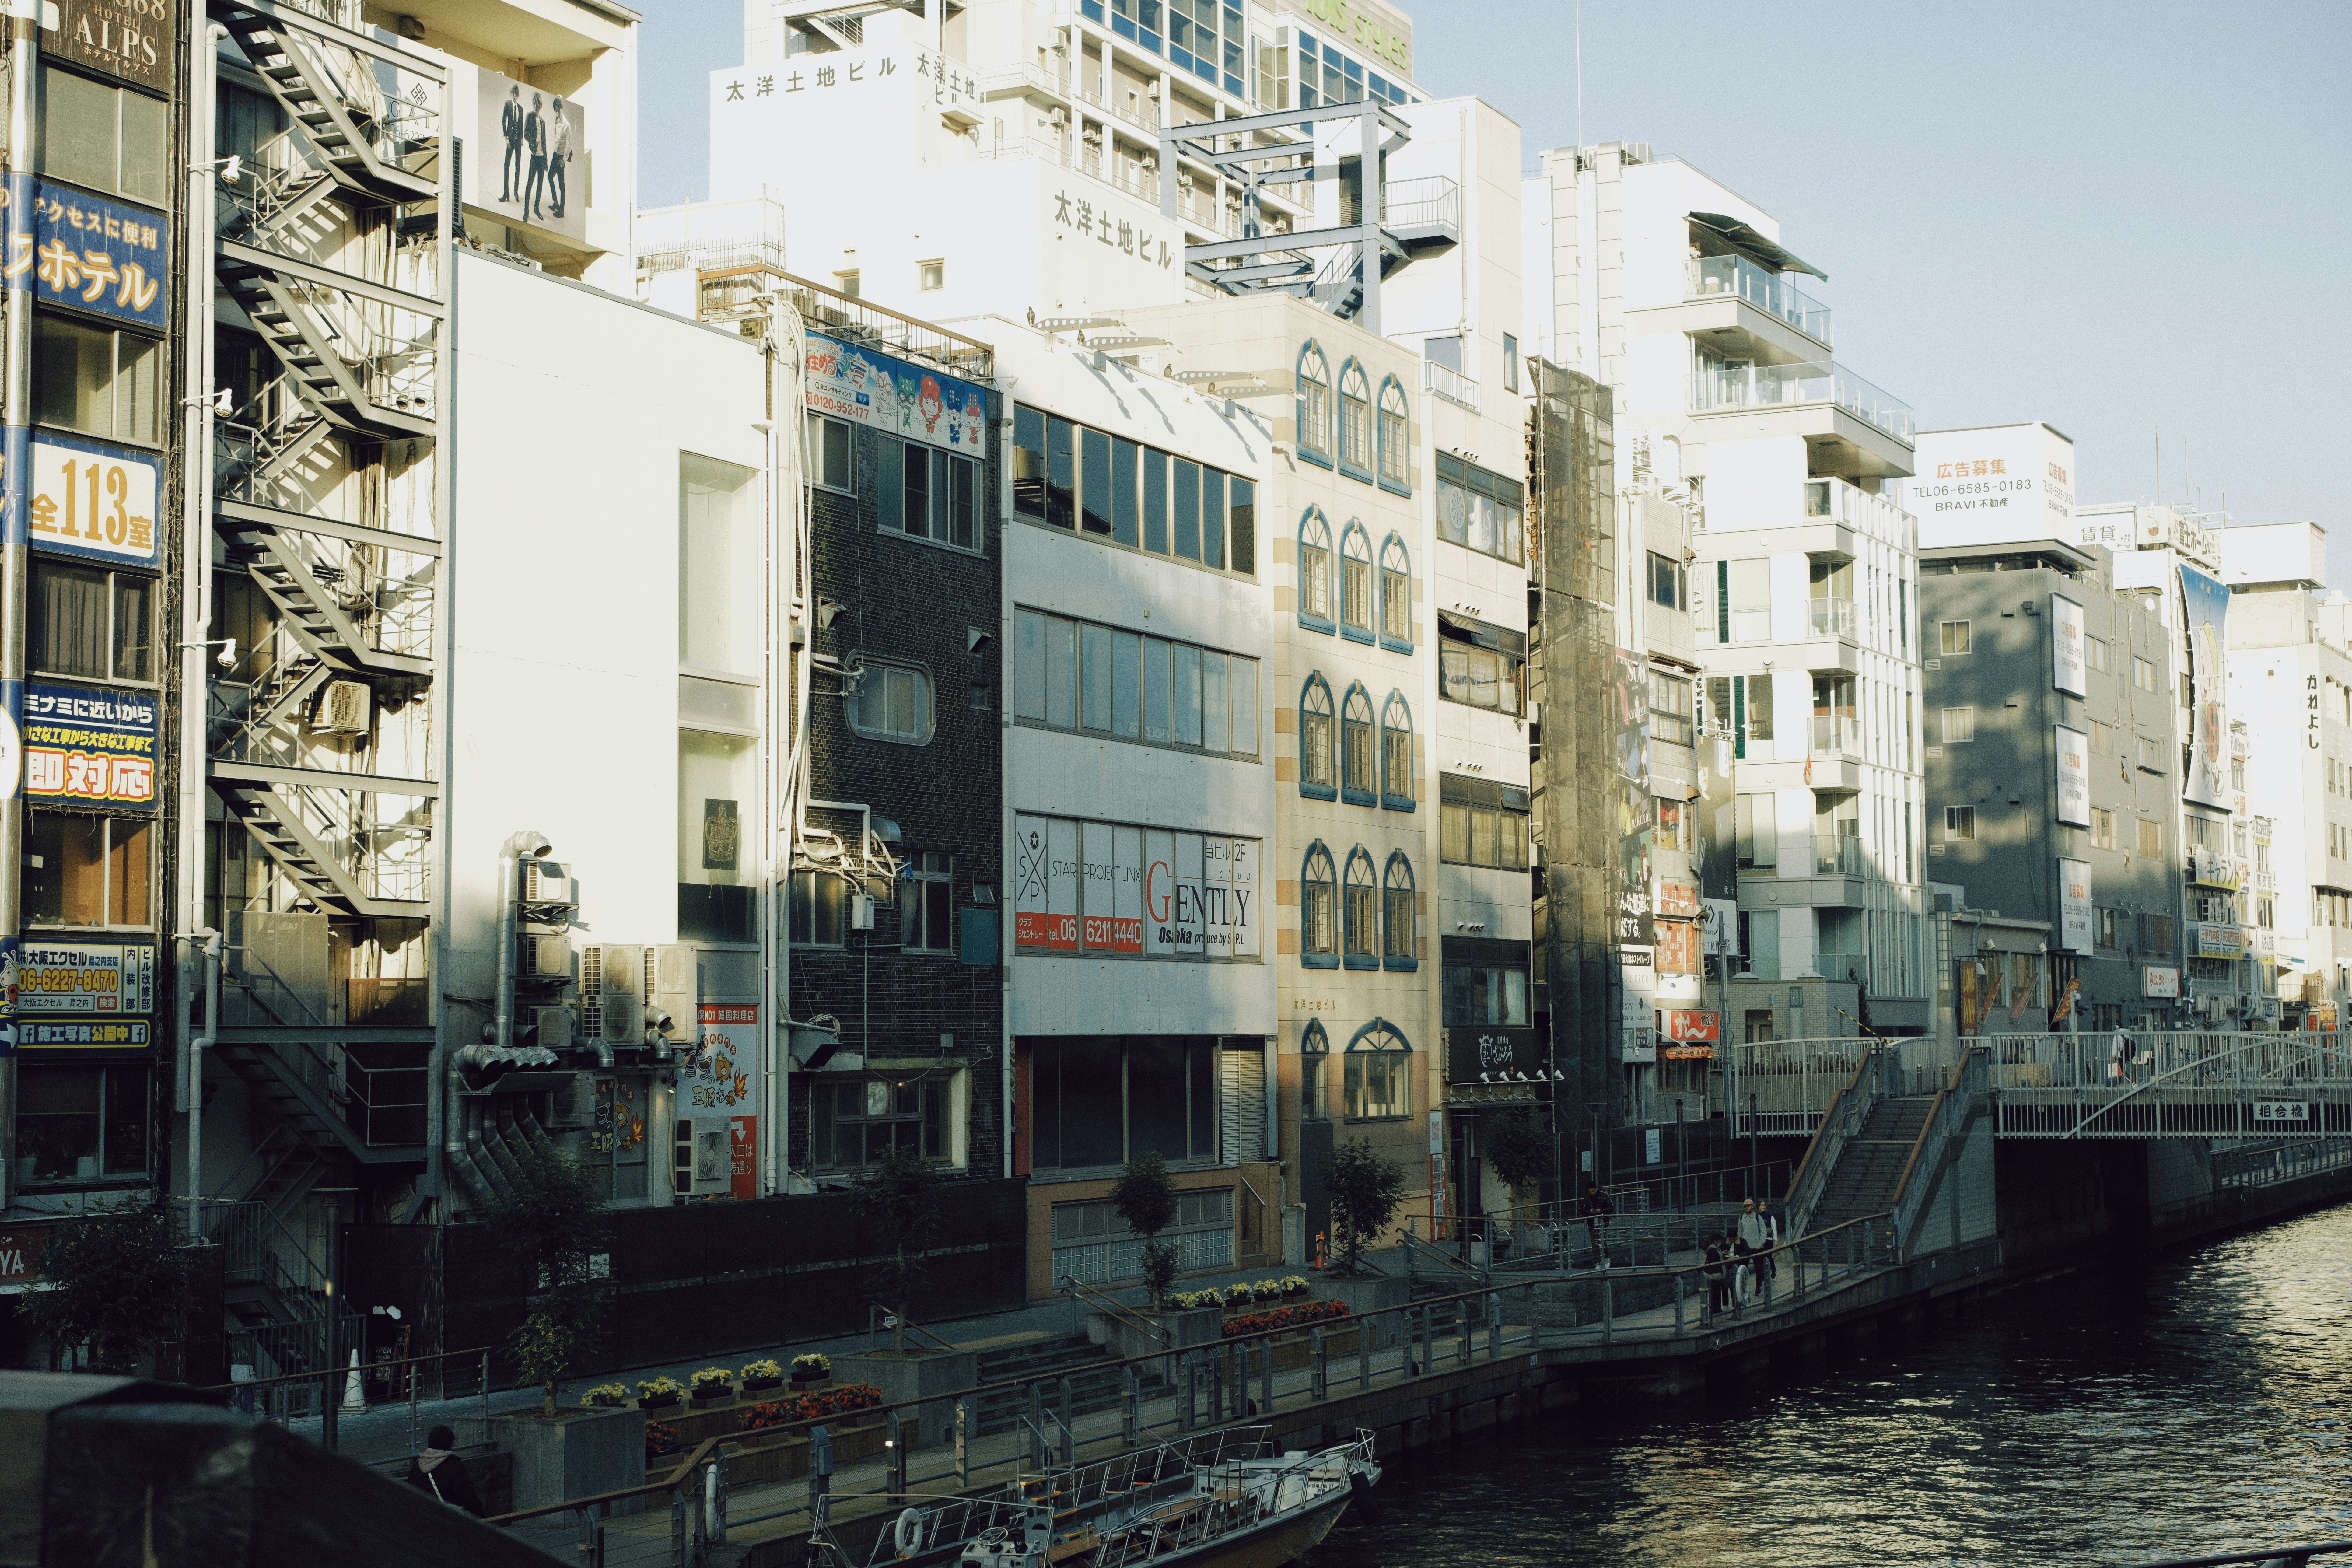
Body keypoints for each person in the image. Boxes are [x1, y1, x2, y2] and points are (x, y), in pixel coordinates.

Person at [405, 1424, 484, 1517]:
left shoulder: (416, 1468)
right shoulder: (455, 1467)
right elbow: (470, 1499)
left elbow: (410, 1498)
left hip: (421, 1519)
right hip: (447, 1521)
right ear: (450, 1445)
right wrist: (483, 1519)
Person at [523, 91, 549, 222]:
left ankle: (536, 209)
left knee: (540, 184)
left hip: (542, 157)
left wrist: (546, 161)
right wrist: (534, 141)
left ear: (541, 106)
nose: (536, 107)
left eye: (538, 105)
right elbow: (526, 135)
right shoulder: (529, 116)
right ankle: (526, 211)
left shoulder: (543, 122)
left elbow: (545, 143)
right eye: (535, 104)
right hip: (534, 156)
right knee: (530, 183)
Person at [1578, 1182, 1616, 1268]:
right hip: (1592, 1223)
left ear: (1597, 1189)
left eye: (1593, 1191)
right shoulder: (1587, 1198)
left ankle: (1607, 1259)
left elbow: (1612, 1207)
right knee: (1595, 1244)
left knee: (1603, 1241)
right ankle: (1598, 1262)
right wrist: (1589, 1211)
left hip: (1603, 1222)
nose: (1592, 1193)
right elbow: (1583, 1210)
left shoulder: (1604, 1196)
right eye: (1590, 1191)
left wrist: (1601, 1210)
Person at [546, 96, 572, 219]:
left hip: (561, 158)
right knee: (550, 177)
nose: (557, 113)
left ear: (561, 108)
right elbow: (556, 138)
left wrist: (564, 160)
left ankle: (562, 211)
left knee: (562, 185)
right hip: (555, 155)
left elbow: (569, 145)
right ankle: (556, 203)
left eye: (559, 110)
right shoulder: (556, 122)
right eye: (556, 111)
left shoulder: (567, 125)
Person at [499, 83, 523, 202]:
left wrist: (522, 139)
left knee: (518, 167)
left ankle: (516, 192)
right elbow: (504, 121)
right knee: (506, 165)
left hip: (518, 142)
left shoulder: (521, 109)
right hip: (510, 140)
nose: (515, 97)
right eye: (513, 94)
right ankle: (506, 194)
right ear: (511, 94)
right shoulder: (508, 105)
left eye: (516, 95)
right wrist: (506, 138)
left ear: (518, 96)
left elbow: (521, 125)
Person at [1703, 1234, 1729, 1317]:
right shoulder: (1713, 1250)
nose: (1720, 1243)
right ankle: (1715, 1310)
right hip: (1716, 1275)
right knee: (1715, 1294)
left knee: (1716, 1293)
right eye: (1719, 1241)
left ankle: (1717, 1310)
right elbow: (1715, 1263)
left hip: (1715, 1275)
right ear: (1716, 1241)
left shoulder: (1713, 1249)